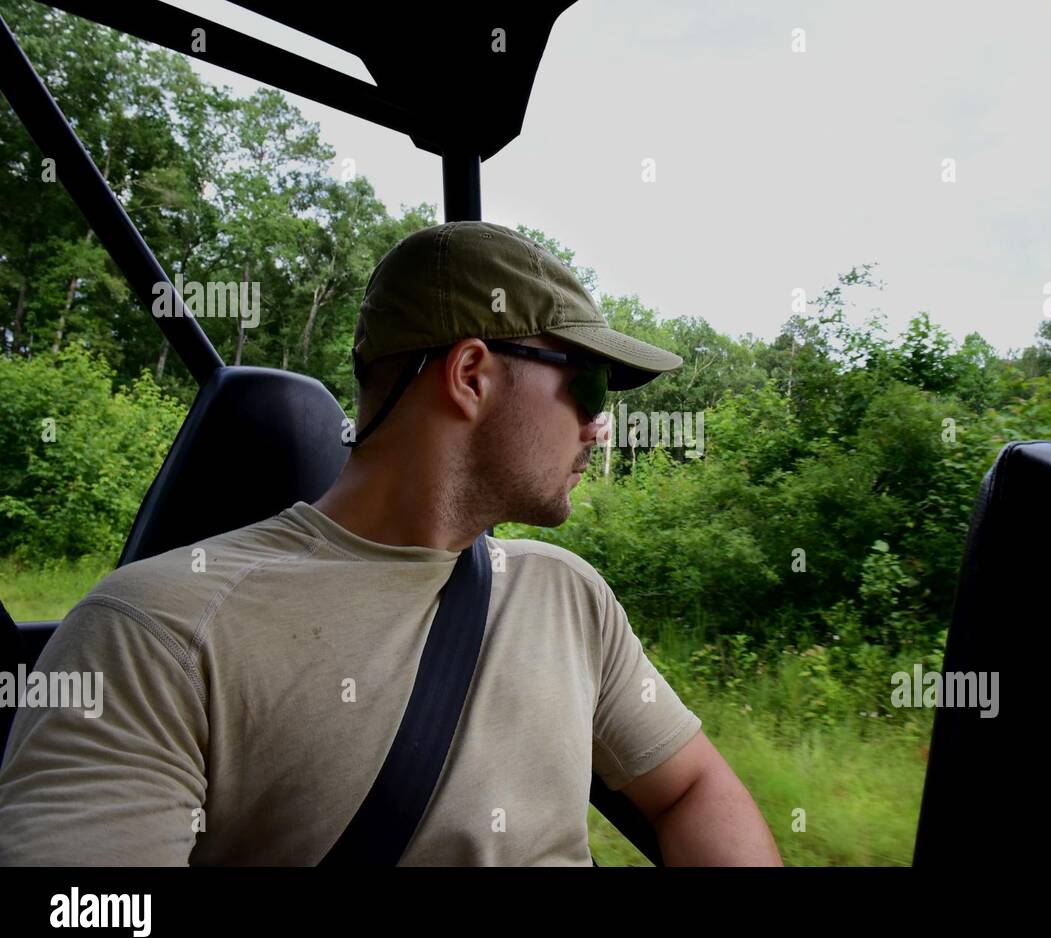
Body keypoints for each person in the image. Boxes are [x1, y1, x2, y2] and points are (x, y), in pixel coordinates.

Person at [0, 222, 782, 866]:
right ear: (471, 374)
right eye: (587, 384)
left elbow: (689, 788)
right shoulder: (155, 633)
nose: (598, 423)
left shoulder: (568, 595)